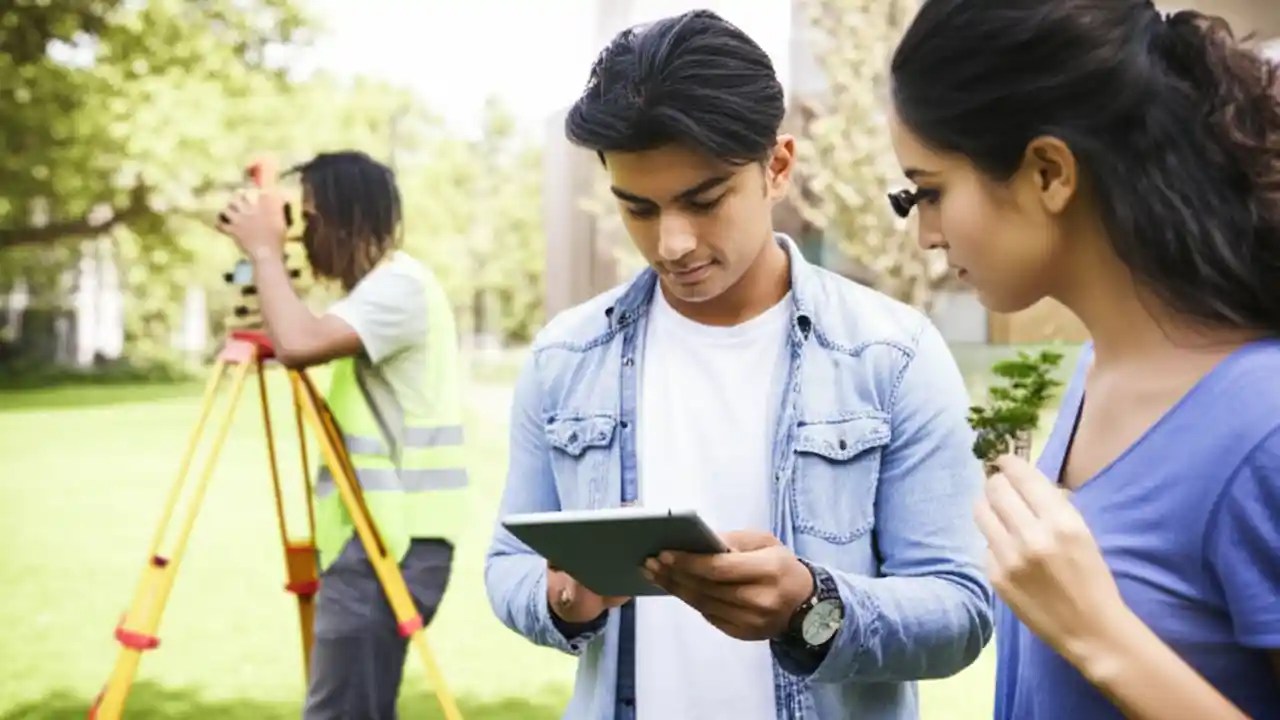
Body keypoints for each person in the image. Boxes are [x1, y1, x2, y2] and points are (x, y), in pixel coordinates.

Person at [484, 10, 993, 720]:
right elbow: (508, 565)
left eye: (705, 200)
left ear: (777, 167)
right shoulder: (566, 358)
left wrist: (809, 607)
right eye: (638, 208)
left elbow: (962, 611)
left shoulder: (892, 355)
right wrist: (564, 599)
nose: (672, 243)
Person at [887, 2, 1280, 719]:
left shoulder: (1264, 428)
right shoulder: (1094, 374)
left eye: (932, 191)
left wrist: (1100, 636)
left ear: (1048, 173)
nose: (927, 236)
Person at [215, 150, 472, 719]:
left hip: (390, 544)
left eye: (308, 221)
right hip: (376, 540)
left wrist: (262, 251)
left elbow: (299, 344)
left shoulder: (399, 289)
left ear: (349, 219)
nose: (301, 239)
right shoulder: (377, 293)